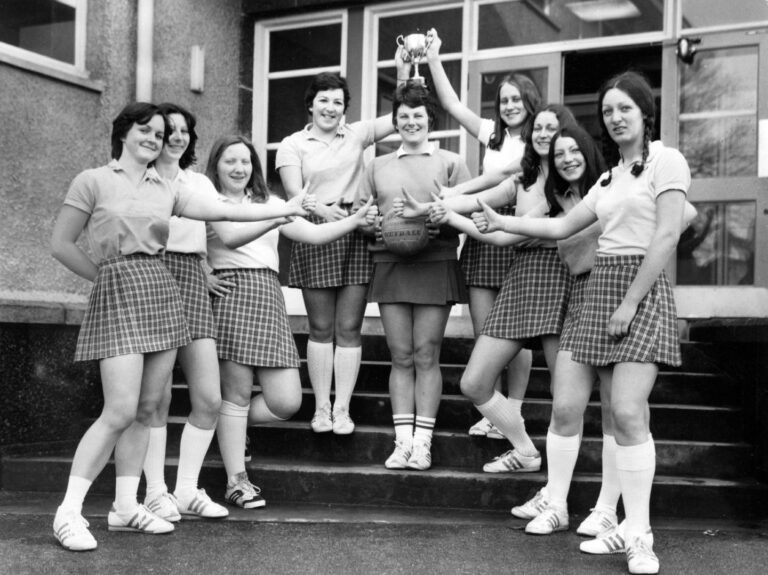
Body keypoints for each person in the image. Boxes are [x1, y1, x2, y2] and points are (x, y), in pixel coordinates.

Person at [50, 103, 313, 552]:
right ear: (124, 134)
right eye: (145, 131)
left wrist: (283, 210)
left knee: (148, 405)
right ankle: (68, 512)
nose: (154, 138)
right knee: (119, 409)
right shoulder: (93, 179)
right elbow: (60, 243)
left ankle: (125, 507)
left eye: (160, 133)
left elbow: (223, 213)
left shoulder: (165, 187)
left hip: (161, 290)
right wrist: (105, 277)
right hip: (120, 289)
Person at [473, 71, 691, 575]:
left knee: (629, 413)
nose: (616, 119)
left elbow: (667, 237)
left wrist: (630, 303)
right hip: (597, 291)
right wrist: (504, 221)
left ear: (644, 112)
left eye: (625, 110)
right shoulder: (609, 178)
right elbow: (559, 225)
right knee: (569, 402)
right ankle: (560, 502)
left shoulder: (667, 160)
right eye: (609, 112)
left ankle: (637, 533)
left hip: (639, 288)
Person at [396, 103, 578, 474]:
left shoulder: (566, 185)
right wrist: (435, 205)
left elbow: (507, 234)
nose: (542, 134)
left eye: (550, 128)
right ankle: (525, 451)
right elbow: (476, 200)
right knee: (474, 381)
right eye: (537, 129)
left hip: (559, 279)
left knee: (565, 397)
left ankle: (557, 487)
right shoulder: (522, 178)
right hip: (521, 278)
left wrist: (456, 218)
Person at [206, 135, 372, 508]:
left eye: (246, 161)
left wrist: (355, 221)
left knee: (287, 401)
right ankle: (237, 480)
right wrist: (202, 270)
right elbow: (229, 238)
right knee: (234, 393)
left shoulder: (269, 203)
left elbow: (312, 234)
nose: (239, 168)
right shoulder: (209, 201)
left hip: (267, 294)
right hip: (230, 293)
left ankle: (232, 426)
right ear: (216, 165)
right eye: (230, 161)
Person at [275, 53, 410, 436]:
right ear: (311, 104)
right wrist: (325, 211)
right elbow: (294, 194)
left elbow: (400, 112)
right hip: (316, 230)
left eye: (337, 101)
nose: (330, 107)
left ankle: (342, 410)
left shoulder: (358, 133)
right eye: (324, 100)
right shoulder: (292, 144)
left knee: (349, 327)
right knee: (320, 327)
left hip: (356, 231)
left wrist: (402, 70)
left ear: (344, 108)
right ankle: (320, 408)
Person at [424, 28, 539, 438]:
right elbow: (452, 104)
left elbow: (506, 175)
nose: (510, 106)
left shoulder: (539, 139)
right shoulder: (491, 132)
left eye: (517, 99)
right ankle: (493, 412)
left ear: (530, 102)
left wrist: (457, 192)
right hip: (480, 228)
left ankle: (516, 411)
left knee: (517, 334)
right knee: (485, 330)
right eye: (504, 99)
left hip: (514, 228)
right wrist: (435, 57)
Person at [360, 82, 470, 470]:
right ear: (395, 122)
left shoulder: (451, 163)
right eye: (403, 116)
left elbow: (467, 212)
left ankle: (423, 442)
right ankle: (402, 441)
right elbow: (362, 215)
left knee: (426, 353)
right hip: (390, 262)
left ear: (430, 121)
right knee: (401, 354)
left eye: (417, 116)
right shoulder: (376, 165)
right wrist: (371, 224)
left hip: (435, 260)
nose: (410, 122)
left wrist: (445, 221)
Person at [140, 103, 228, 522]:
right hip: (153, 275)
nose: (175, 138)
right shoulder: (139, 179)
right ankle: (156, 493)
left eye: (183, 131)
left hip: (192, 276)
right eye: (167, 131)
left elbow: (225, 227)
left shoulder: (199, 182)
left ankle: (187, 490)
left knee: (209, 397)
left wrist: (205, 267)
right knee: (155, 397)